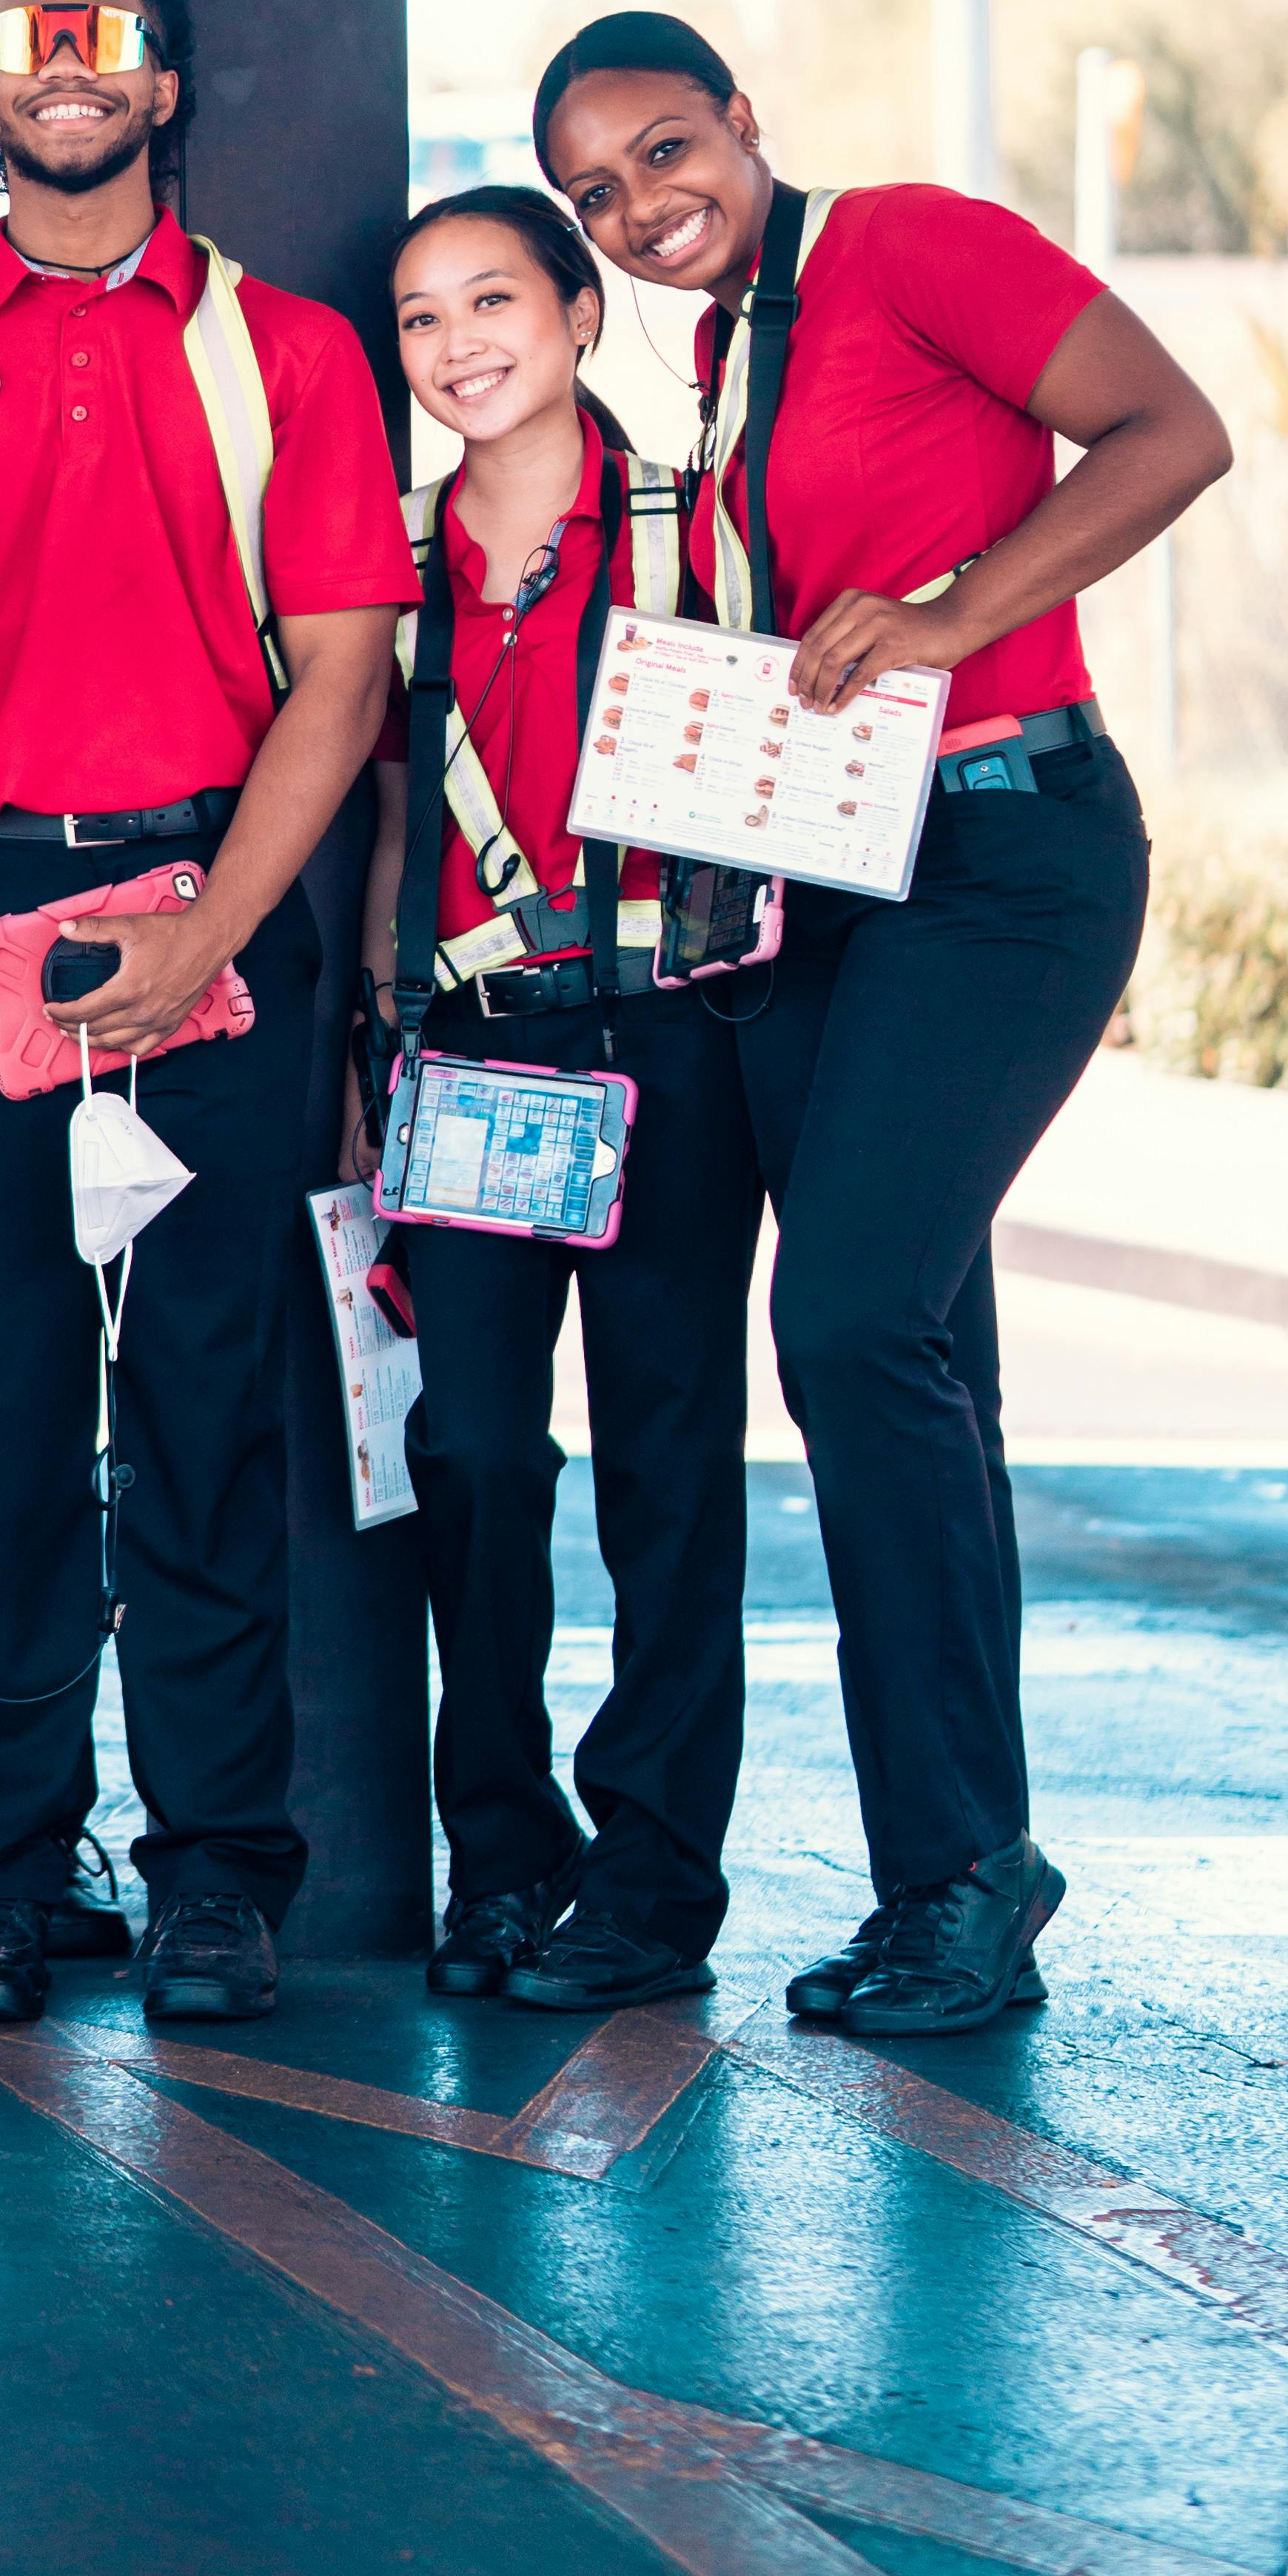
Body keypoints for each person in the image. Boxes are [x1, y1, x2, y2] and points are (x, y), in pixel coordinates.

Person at [535, 13, 1231, 2034]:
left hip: (1007, 844)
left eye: (664, 152)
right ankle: (953, 1867)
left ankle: (958, 1870)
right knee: (912, 1348)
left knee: (840, 1320)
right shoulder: (722, 356)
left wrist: (943, 610)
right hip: (827, 876)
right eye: (597, 194)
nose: (640, 207)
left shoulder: (907, 243)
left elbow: (1170, 430)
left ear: (741, 121)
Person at [0, 0, 417, 2032]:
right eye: (25, 42)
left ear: (162, 80)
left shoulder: (282, 349)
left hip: (207, 912)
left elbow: (338, 677)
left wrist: (211, 928)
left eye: (105, 38)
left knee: (209, 1418)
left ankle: (215, 1872)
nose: (64, 68)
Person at [343, 190, 764, 2013]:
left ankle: (654, 1880)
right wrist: (374, 1054)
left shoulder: (698, 526)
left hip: (667, 1049)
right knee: (477, 1459)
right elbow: (375, 816)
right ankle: (502, 1858)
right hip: (472, 1061)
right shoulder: (386, 561)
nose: (457, 344)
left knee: (670, 1468)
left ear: (582, 312)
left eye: (493, 298)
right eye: (421, 318)